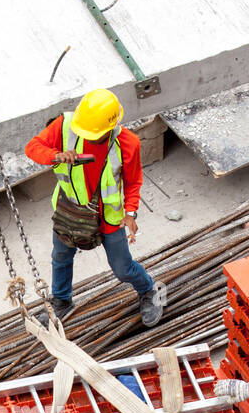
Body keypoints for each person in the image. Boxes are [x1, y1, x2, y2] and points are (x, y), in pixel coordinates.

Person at [24, 87, 165, 327]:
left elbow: (133, 182)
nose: (87, 138)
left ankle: (150, 290)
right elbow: (32, 148)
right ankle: (62, 300)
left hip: (108, 217)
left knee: (122, 268)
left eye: (92, 134)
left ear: (110, 127)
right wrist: (56, 155)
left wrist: (130, 213)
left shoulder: (128, 143)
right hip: (70, 209)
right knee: (61, 256)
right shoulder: (65, 126)